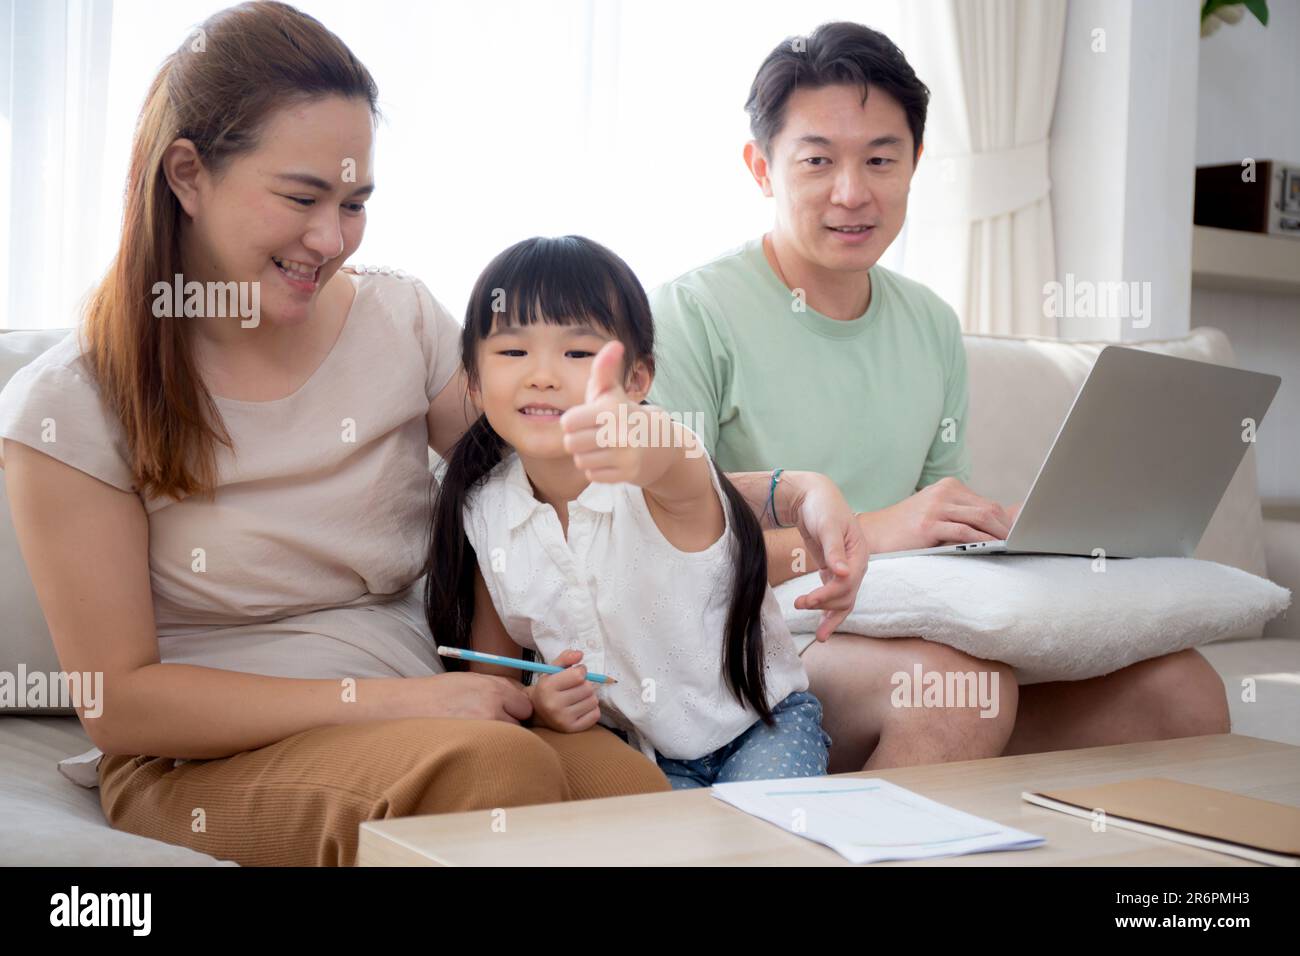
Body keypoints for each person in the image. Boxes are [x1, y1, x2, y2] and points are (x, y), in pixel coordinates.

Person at [0, 3, 866, 865]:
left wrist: (798, 494)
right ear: (186, 175)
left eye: (354, 202)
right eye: (302, 197)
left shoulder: (396, 319)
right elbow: (119, 702)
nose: (331, 238)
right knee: (493, 777)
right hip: (211, 757)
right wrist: (401, 705)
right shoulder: (69, 405)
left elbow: (578, 470)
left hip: (434, 706)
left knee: (643, 805)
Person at [648, 21, 1229, 773]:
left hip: (897, 635)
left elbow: (938, 542)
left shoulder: (927, 324)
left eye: (881, 159)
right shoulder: (689, 315)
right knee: (955, 690)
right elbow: (668, 558)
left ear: (916, 162)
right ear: (762, 167)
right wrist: (878, 531)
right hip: (754, 643)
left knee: (1183, 692)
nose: (852, 193)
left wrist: (1008, 535)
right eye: (818, 161)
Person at [426, 235, 832, 790]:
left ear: (637, 380)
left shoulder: (663, 472)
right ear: (473, 379)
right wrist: (538, 702)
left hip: (761, 728)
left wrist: (634, 434)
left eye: (577, 353)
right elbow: (493, 680)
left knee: (768, 841)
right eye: (513, 352)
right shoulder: (485, 510)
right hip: (638, 758)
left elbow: (671, 457)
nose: (541, 375)